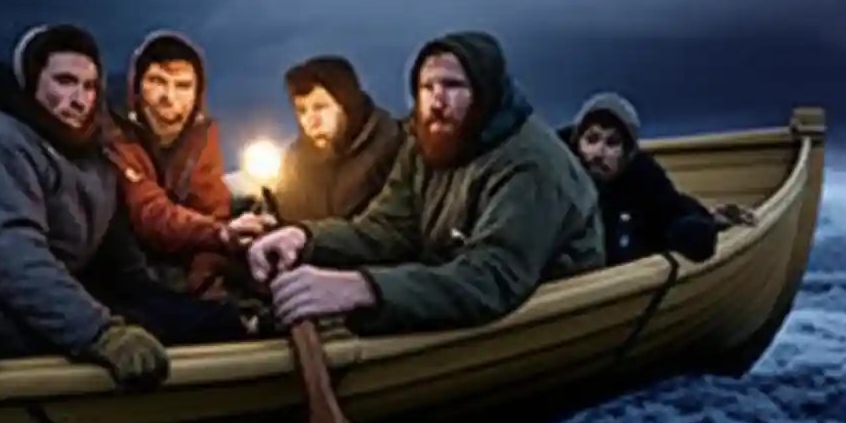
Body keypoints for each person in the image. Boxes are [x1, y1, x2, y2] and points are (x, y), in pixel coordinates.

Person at [0, 25, 248, 391]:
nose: (79, 99)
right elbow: (13, 257)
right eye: (64, 81)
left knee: (210, 325)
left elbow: (117, 254)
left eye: (89, 87)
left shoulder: (88, 149)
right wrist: (101, 334)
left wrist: (179, 308)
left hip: (68, 305)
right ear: (31, 80)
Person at [248, 31, 605, 334]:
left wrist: (363, 288)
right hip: (452, 273)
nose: (436, 101)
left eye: (452, 86)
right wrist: (305, 238)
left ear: (484, 93)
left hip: (542, 301)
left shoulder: (529, 163)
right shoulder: (425, 143)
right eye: (426, 86)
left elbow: (494, 277)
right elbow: (387, 229)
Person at [105, 30, 273, 298]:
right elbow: (149, 213)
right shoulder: (115, 136)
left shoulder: (201, 137)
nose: (169, 97)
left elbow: (212, 206)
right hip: (127, 265)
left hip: (182, 259)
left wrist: (204, 277)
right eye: (157, 82)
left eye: (183, 86)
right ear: (137, 87)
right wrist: (220, 234)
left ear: (197, 94)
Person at [558, 91, 756, 268]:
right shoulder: (552, 176)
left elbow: (671, 210)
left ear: (627, 155)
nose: (599, 153)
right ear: (577, 143)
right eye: (592, 139)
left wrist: (704, 223)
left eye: (612, 143)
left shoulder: (642, 185)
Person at [273, 55, 405, 224]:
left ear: (347, 105)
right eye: (302, 110)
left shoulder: (392, 146)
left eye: (320, 107)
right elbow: (282, 209)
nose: (311, 121)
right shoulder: (295, 160)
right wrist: (265, 221)